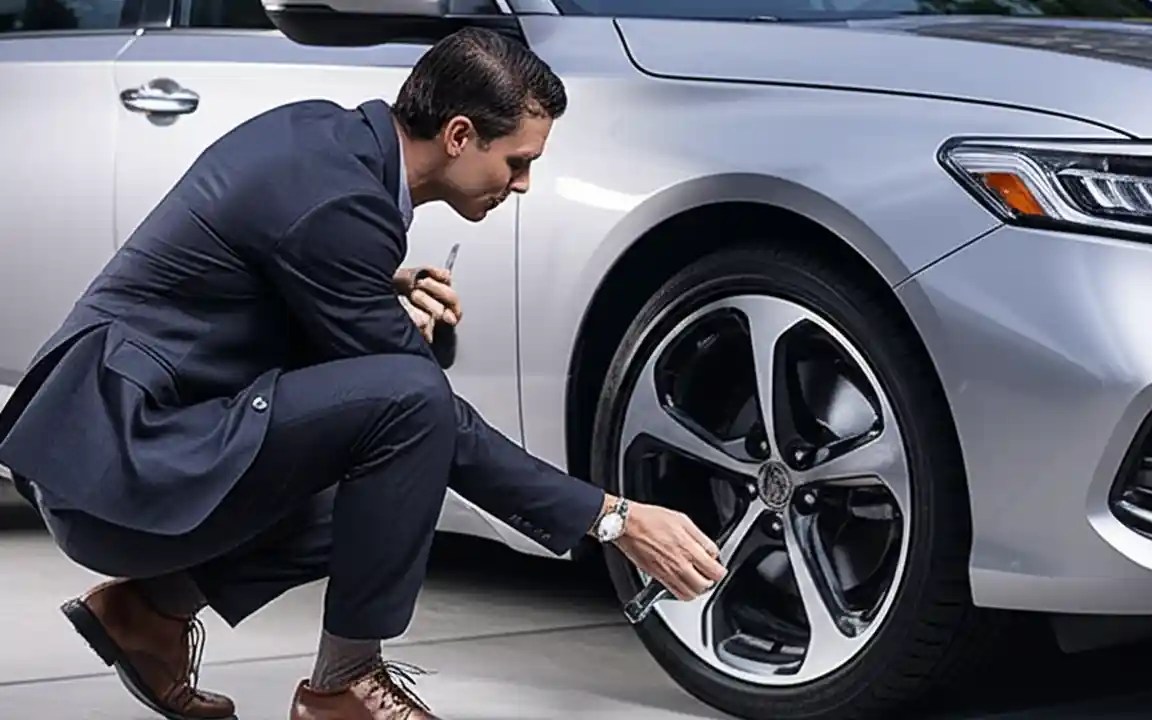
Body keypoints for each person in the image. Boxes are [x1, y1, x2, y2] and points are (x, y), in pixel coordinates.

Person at [0, 26, 727, 720]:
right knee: (414, 410)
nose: (525, 183)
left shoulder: (335, 148)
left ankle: (148, 612)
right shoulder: (338, 203)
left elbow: (286, 327)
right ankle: (344, 686)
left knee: (392, 470)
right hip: (118, 462)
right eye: (518, 162)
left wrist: (381, 300)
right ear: (460, 135)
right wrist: (613, 517)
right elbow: (420, 406)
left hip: (134, 439)